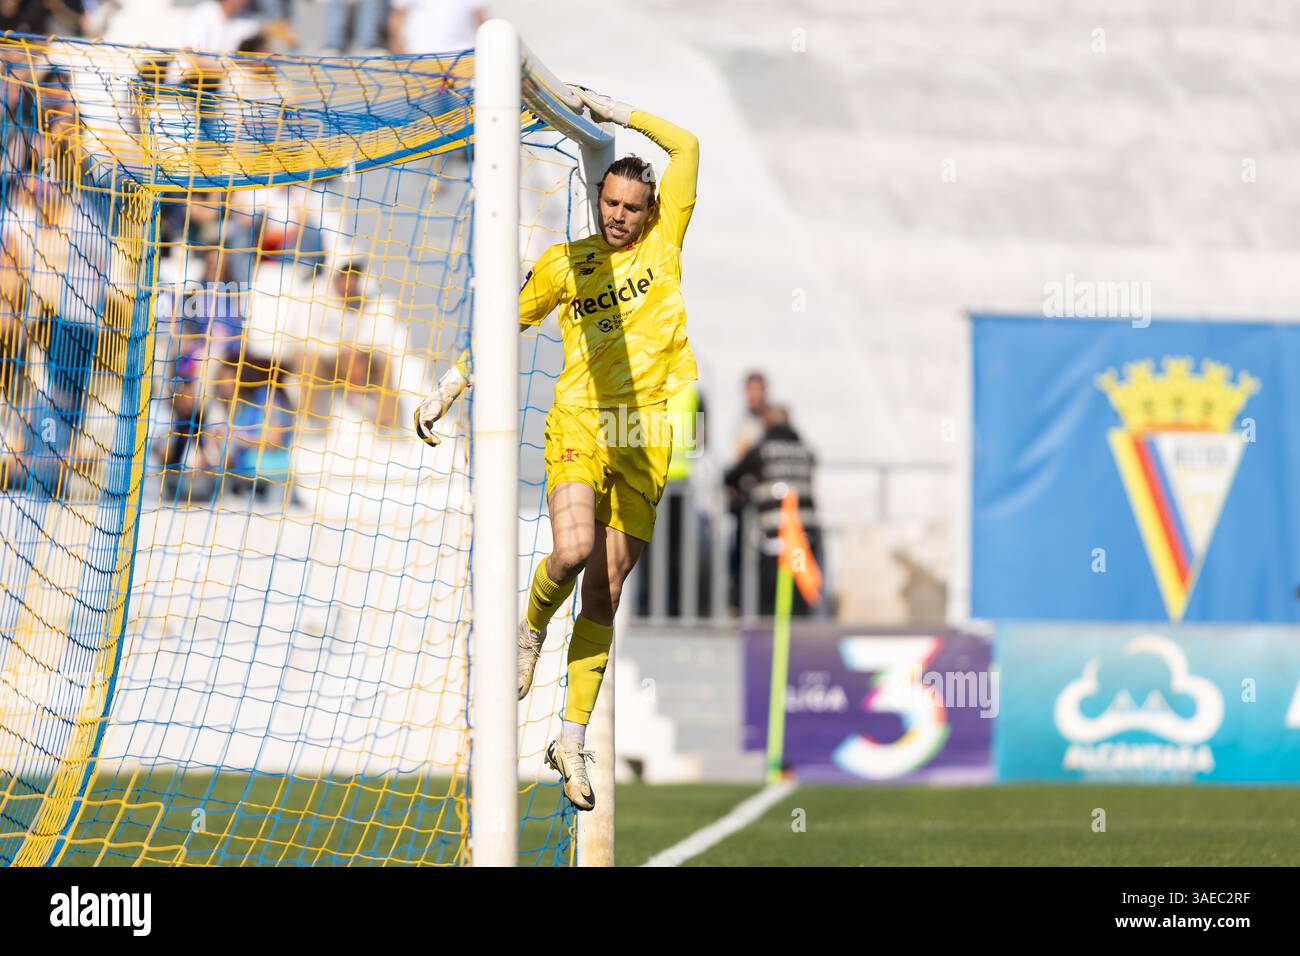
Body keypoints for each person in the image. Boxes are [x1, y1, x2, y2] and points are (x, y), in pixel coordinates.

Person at [414, 87, 699, 812]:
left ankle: (570, 739)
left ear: (652, 212)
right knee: (570, 554)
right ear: (598, 198)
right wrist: (452, 383)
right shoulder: (564, 264)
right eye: (611, 204)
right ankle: (530, 630)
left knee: (606, 588)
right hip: (578, 425)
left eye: (633, 208)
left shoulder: (664, 247)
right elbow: (502, 318)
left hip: (649, 438)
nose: (619, 217)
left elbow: (689, 146)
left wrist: (618, 110)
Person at [723, 405, 822, 617]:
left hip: (774, 540)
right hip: (802, 540)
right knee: (798, 603)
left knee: (771, 604)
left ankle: (773, 646)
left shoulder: (762, 450)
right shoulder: (805, 451)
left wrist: (745, 490)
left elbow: (730, 475)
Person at [387, 0, 485, 55]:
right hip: (418, 53)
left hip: (461, 55)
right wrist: (397, 46)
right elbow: (398, 16)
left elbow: (480, 18)